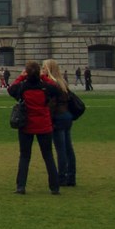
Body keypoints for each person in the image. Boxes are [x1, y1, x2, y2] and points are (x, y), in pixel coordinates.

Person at [8, 60, 61, 194]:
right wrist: (43, 76)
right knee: (48, 156)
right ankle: (54, 187)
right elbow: (56, 88)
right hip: (44, 125)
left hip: (27, 125)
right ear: (39, 73)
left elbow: (11, 89)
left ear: (27, 73)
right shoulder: (45, 86)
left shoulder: (23, 86)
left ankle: (21, 186)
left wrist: (21, 76)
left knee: (25, 156)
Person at [43, 59, 77, 187]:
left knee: (60, 149)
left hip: (58, 117)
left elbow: (52, 104)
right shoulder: (62, 82)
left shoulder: (52, 84)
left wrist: (48, 118)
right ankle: (71, 177)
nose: (43, 70)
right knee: (69, 148)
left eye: (44, 67)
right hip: (67, 116)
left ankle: (61, 177)